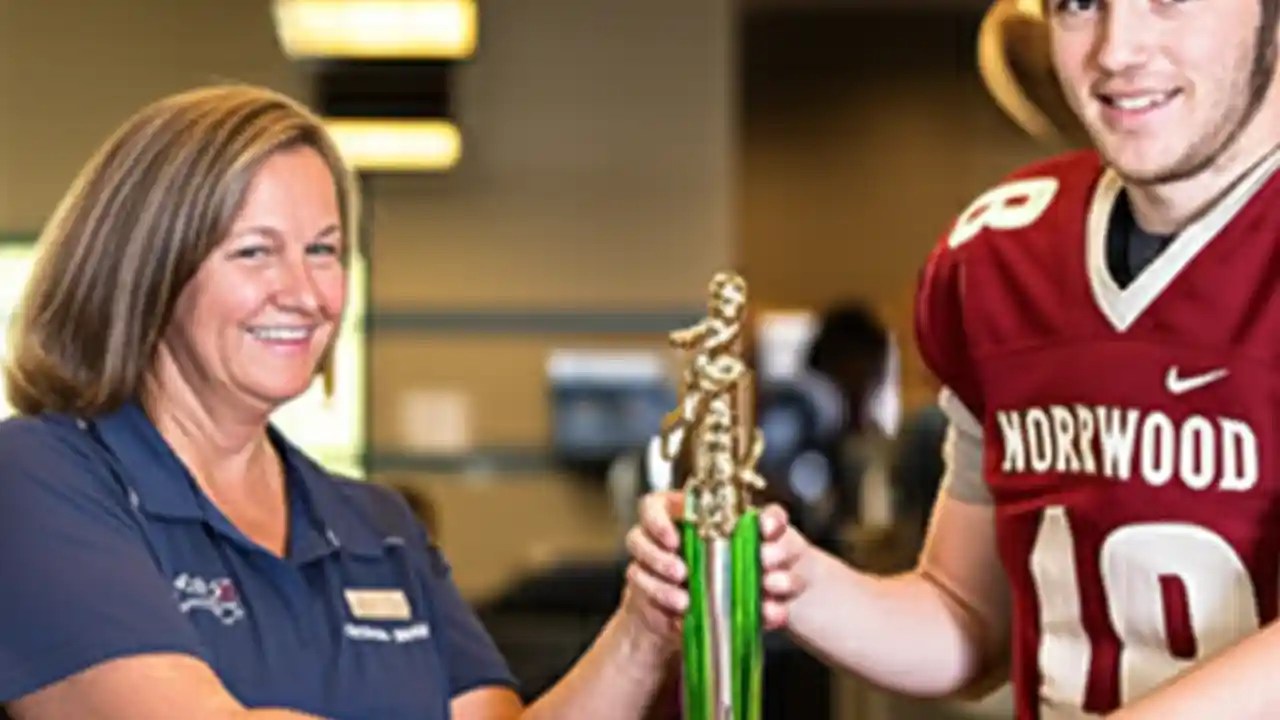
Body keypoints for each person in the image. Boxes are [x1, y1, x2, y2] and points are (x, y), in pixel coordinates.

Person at [0, 84, 804, 720]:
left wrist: (642, 629)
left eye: (324, 251)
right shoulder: (41, 479)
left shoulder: (376, 527)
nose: (306, 292)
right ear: (148, 273)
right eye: (255, 252)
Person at [628, 0, 1280, 717]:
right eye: (1078, 4)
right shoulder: (1003, 256)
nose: (1116, 49)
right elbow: (967, 621)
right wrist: (780, 573)